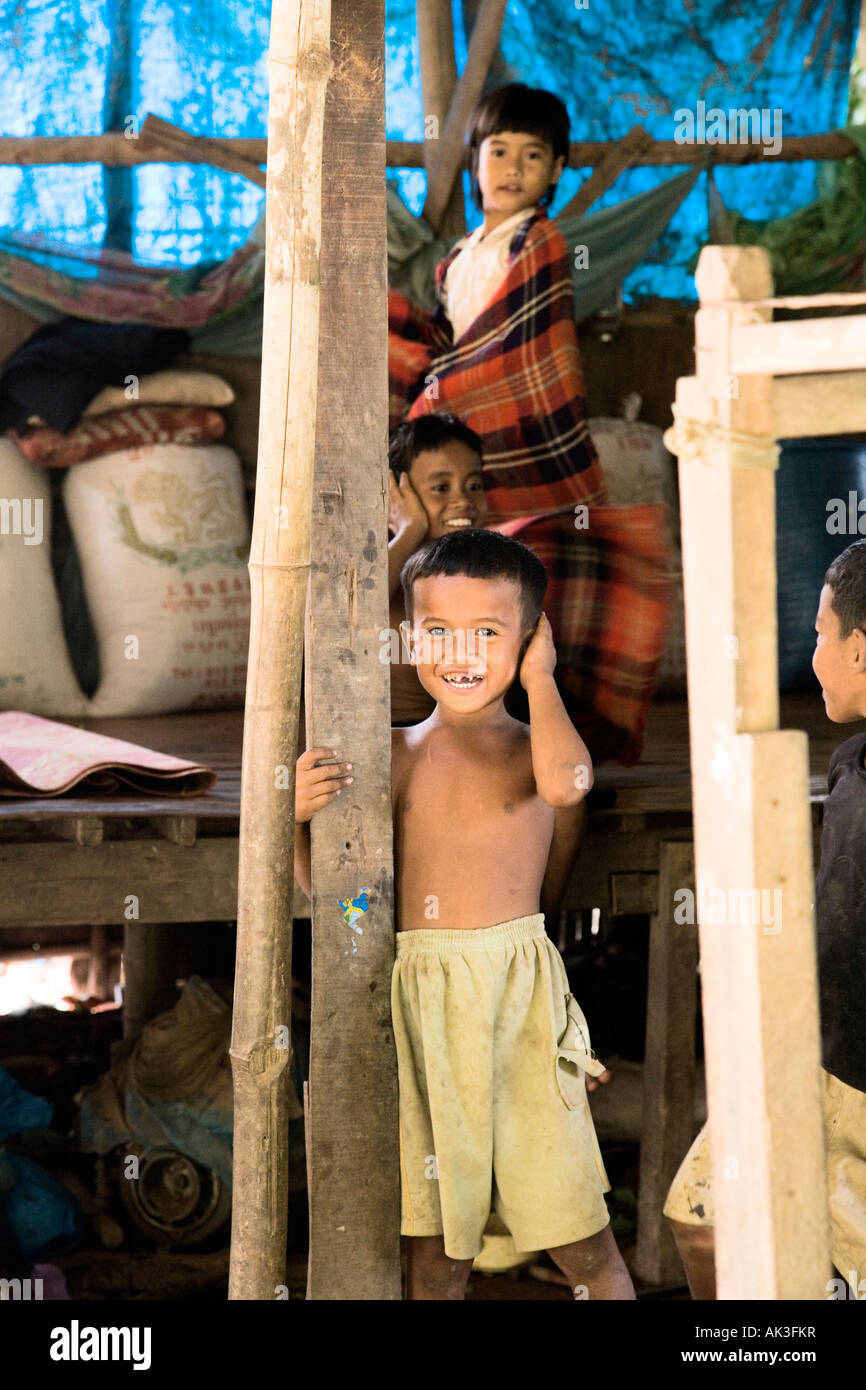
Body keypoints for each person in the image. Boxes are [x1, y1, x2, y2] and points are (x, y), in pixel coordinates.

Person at [294, 529, 634, 1299]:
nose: (461, 653)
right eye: (437, 631)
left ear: (530, 639)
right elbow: (343, 906)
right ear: (408, 635)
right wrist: (296, 821)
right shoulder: (389, 755)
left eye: (489, 633)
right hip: (418, 1015)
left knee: (581, 1240)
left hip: (518, 1009)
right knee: (436, 1256)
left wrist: (541, 681)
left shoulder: (533, 749)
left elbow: (571, 784)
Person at [388, 83, 671, 764]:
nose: (512, 167)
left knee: (541, 581)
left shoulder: (541, 244)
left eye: (533, 155)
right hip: (473, 448)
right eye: (499, 150)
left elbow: (522, 352)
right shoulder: (459, 255)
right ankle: (468, 720)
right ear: (475, 162)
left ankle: (551, 735)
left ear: (556, 171)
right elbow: (457, 339)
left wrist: (440, 388)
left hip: (530, 453)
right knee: (470, 585)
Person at [664, 539, 866, 1299]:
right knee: (702, 1214)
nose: (808, 652)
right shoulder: (850, 762)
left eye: (819, 634)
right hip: (812, 1056)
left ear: (859, 649)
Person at [388, 413, 487, 724]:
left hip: (468, 740)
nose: (462, 500)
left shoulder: (488, 567)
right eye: (441, 487)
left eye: (473, 485)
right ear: (396, 494)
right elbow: (347, 616)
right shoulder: (379, 567)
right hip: (385, 743)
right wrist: (410, 530)